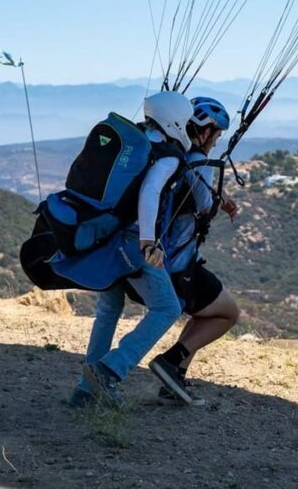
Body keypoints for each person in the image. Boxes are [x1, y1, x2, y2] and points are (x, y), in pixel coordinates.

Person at [71, 91, 195, 409]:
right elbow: (151, 190)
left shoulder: (132, 140)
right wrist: (148, 240)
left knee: (109, 308)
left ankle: (85, 392)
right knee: (167, 308)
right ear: (175, 121)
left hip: (103, 234)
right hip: (131, 240)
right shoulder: (168, 155)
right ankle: (110, 370)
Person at [129, 96, 242, 406]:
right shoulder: (197, 161)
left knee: (204, 312)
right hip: (178, 265)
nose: (216, 142)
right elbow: (204, 206)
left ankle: (174, 378)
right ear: (204, 132)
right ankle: (170, 361)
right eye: (216, 135)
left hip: (161, 261)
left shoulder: (172, 157)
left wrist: (221, 199)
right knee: (227, 313)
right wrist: (218, 203)